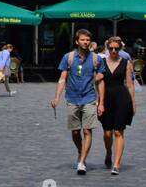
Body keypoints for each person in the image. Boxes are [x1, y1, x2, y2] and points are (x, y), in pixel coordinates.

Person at [52, 29, 105, 175]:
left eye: (87, 40)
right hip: (72, 98)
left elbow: (101, 81)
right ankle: (81, 150)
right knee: (75, 132)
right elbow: (62, 78)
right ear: (77, 41)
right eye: (82, 39)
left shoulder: (96, 59)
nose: (85, 42)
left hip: (89, 98)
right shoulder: (68, 57)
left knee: (87, 130)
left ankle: (82, 161)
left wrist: (101, 102)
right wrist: (57, 97)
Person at [98, 37, 136, 175]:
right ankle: (109, 152)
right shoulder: (101, 63)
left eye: (116, 48)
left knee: (118, 132)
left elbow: (130, 85)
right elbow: (98, 81)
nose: (114, 51)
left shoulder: (126, 63)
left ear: (120, 49)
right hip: (106, 98)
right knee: (107, 133)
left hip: (122, 98)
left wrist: (133, 103)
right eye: (111, 48)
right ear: (107, 48)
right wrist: (99, 101)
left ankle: (116, 163)